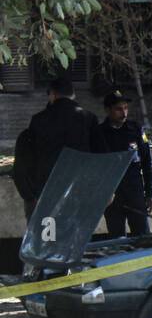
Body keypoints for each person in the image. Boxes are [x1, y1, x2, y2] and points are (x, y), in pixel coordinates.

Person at [19, 75, 105, 219]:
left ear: (52, 94)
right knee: (75, 237)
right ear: (73, 94)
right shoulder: (88, 118)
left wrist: (31, 195)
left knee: (49, 239)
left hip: (47, 193)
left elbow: (30, 160)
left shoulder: (39, 120)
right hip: (80, 191)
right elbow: (101, 157)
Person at [99, 90, 152, 237]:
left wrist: (151, 193)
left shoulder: (136, 129)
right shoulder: (99, 133)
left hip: (135, 194)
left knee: (143, 237)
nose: (123, 113)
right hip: (111, 197)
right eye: (118, 109)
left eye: (125, 108)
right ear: (107, 110)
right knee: (116, 240)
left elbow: (147, 163)